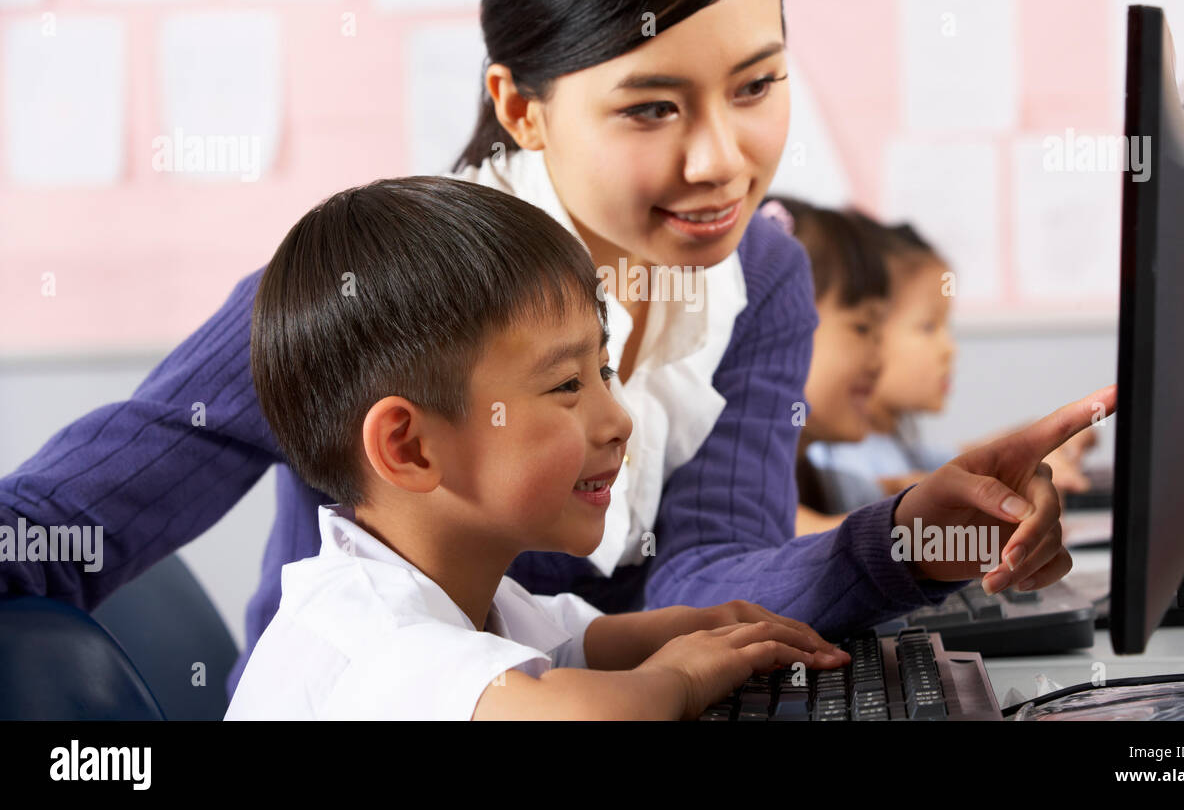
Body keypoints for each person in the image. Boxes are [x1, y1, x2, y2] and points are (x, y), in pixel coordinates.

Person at [0, 0, 1104, 701]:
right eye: (651, 106)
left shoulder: (758, 273)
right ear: (522, 106)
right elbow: (56, 525)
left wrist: (913, 537)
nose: (721, 158)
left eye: (757, 83)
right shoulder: (378, 292)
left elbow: (696, 576)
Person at [226, 177, 848, 719]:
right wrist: (679, 677)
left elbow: (574, 647)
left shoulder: (468, 592)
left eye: (604, 371)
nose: (618, 420)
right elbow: (572, 713)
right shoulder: (368, 632)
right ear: (410, 448)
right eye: (566, 385)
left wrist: (696, 628)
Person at [808, 222, 1096, 509]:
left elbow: (966, 457)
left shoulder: (893, 448)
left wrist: (1056, 433)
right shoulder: (838, 456)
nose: (950, 348)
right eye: (928, 326)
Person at [755, 198, 892, 536]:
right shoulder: (724, 491)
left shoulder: (820, 480)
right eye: (862, 327)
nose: (880, 361)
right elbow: (825, 541)